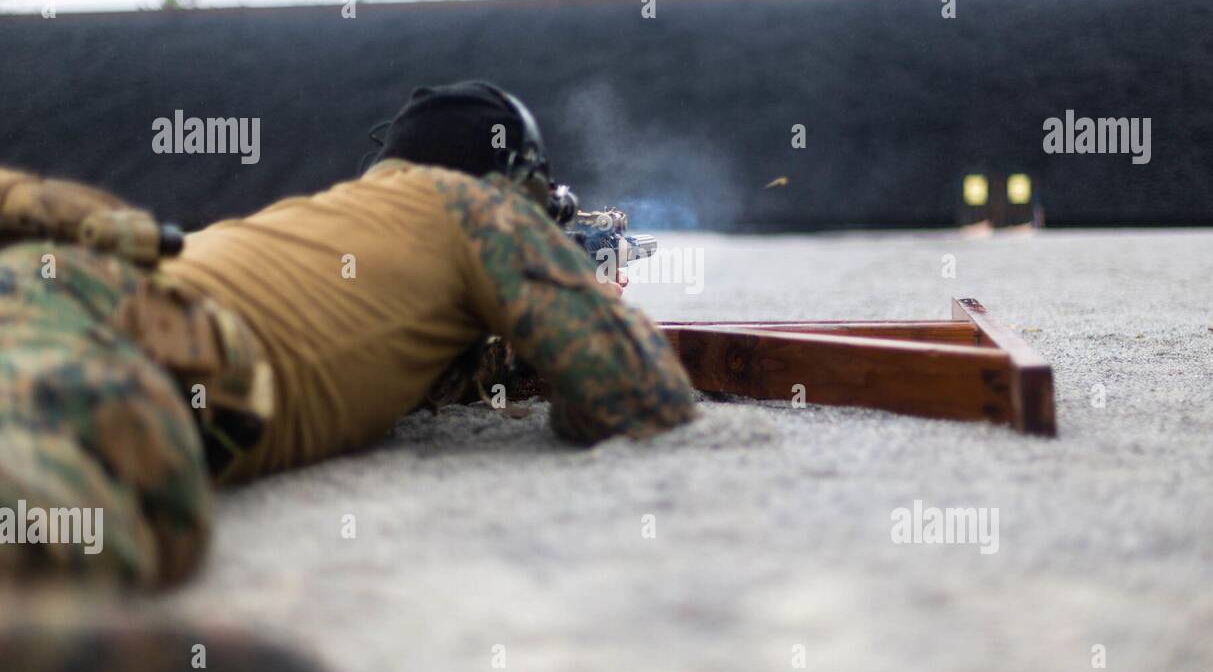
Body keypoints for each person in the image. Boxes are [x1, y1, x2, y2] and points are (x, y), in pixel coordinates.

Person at [0, 81, 697, 590]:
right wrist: (583, 321)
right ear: (515, 186)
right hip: (136, 331)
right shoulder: (477, 208)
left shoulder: (339, 221)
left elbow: (393, 347)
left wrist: (511, 348)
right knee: (48, 543)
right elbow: (639, 396)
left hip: (61, 289)